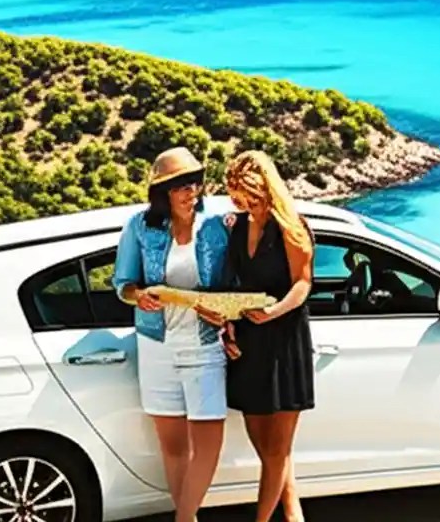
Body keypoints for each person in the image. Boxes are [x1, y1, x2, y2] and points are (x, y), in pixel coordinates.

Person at [113, 146, 233, 522]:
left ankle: (182, 518)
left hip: (204, 344)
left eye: (195, 184)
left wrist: (226, 312)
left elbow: (237, 281)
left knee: (209, 444)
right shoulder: (139, 226)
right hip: (157, 347)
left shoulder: (218, 224)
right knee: (174, 449)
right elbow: (122, 282)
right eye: (181, 186)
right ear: (163, 192)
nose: (190, 192)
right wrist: (139, 295)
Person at [221, 150, 316, 522]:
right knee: (264, 442)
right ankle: (293, 514)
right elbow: (236, 283)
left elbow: (303, 283)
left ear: (267, 190)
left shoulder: (292, 227)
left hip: (284, 339)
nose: (243, 205)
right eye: (237, 198)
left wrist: (273, 312)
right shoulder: (237, 226)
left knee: (277, 450)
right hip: (247, 340)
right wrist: (229, 324)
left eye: (249, 198)